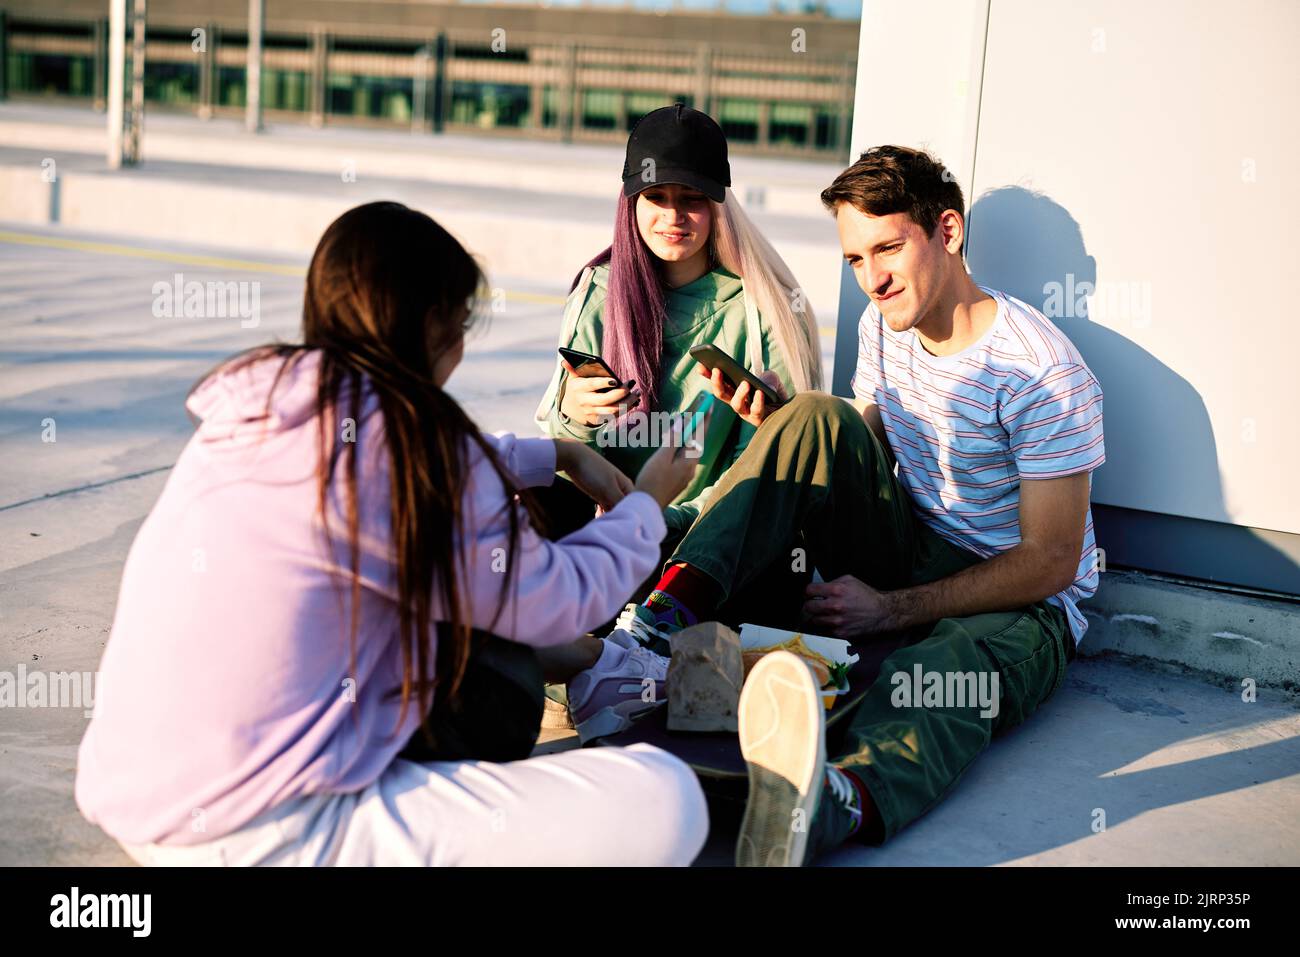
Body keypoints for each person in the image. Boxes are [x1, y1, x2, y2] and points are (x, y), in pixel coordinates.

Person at [74, 201, 709, 866]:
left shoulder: (263, 409)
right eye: (460, 322)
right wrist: (645, 503)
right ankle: (603, 674)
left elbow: (400, 469)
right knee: (666, 798)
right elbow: (562, 595)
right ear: (431, 324)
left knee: (459, 618)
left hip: (140, 802)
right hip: (272, 832)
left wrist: (555, 454)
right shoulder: (412, 453)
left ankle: (592, 667)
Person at [624, 145, 1105, 865]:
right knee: (816, 413)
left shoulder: (1042, 372)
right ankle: (656, 625)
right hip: (911, 542)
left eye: (888, 248)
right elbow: (870, 428)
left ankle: (834, 799)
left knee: (949, 662)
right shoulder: (886, 320)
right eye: (855, 258)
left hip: (1022, 599)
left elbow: (1052, 561)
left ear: (947, 232)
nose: (872, 277)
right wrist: (787, 426)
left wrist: (891, 609)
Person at [532, 103, 823, 741]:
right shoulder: (598, 289)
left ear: (718, 202)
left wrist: (659, 517)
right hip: (614, 523)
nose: (672, 216)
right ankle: (568, 657)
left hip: (700, 546)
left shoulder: (762, 303)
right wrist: (572, 418)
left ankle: (616, 659)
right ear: (629, 201)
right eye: (654, 196)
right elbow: (556, 451)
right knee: (524, 490)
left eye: (690, 197)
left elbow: (773, 481)